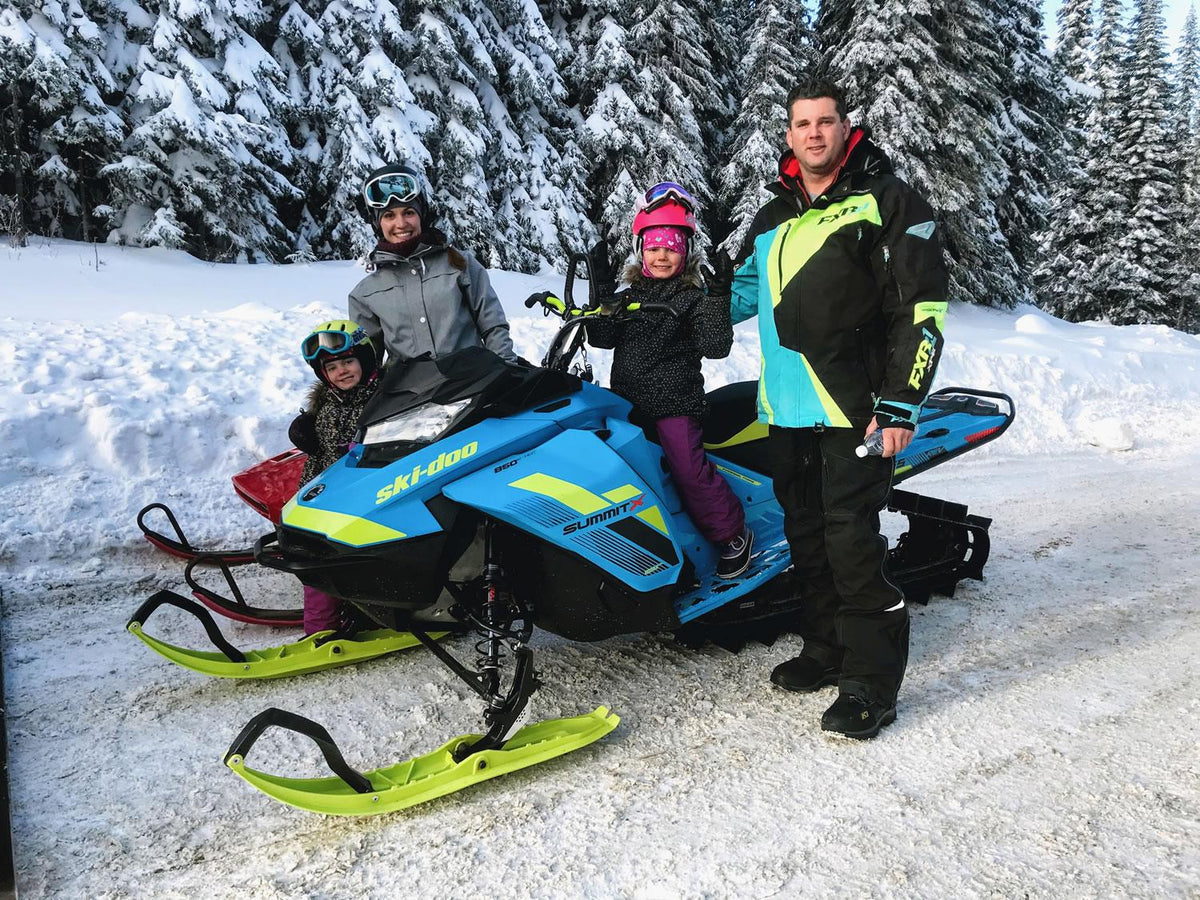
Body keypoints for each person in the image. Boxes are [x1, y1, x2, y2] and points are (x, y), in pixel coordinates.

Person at [730, 78, 949, 738]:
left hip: (856, 410)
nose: (815, 133)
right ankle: (825, 650)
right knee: (808, 539)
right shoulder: (772, 217)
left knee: (852, 544)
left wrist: (902, 404)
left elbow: (921, 311)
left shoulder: (887, 201)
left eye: (826, 121)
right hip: (787, 409)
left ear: (845, 127)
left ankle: (870, 684)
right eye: (803, 123)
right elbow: (735, 294)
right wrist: (648, 307)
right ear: (789, 134)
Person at [586, 182, 752, 579]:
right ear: (641, 248)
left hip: (675, 406)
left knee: (687, 470)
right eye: (654, 247)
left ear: (685, 251)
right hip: (627, 404)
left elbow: (715, 347)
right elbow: (601, 338)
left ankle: (731, 535)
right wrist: (603, 293)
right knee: (621, 477)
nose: (662, 256)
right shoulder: (629, 296)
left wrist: (718, 297)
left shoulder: (693, 296)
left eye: (672, 247)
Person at [348, 162, 517, 366]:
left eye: (409, 212)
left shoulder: (460, 264)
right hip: (410, 395)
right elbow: (365, 364)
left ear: (422, 214)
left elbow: (494, 327)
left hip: (475, 384)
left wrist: (504, 373)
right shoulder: (365, 294)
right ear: (377, 223)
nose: (401, 224)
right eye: (389, 216)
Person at [287, 319, 381, 634]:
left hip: (361, 499)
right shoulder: (327, 404)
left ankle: (325, 627)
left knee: (328, 561)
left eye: (347, 361)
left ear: (365, 361)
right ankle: (327, 623)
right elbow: (319, 455)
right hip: (324, 496)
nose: (341, 371)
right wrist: (306, 428)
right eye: (331, 368)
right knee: (316, 557)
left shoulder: (382, 403)